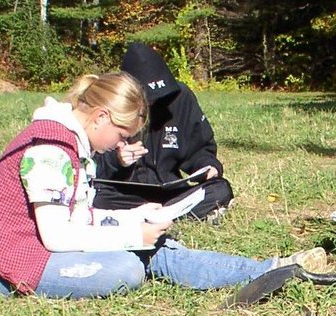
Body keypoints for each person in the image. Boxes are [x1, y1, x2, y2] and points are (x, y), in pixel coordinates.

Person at [0, 72, 324, 299]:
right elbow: (56, 237)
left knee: (157, 249)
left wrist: (135, 216)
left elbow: (78, 217)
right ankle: (268, 270)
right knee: (128, 269)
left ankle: (266, 269)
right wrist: (130, 235)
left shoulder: (68, 142)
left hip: (44, 251)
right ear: (101, 116)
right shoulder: (50, 151)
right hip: (16, 264)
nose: (121, 142)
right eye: (122, 134)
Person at [92, 43, 234, 224]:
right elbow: (91, 166)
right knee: (96, 198)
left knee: (220, 189)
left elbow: (200, 148)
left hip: (170, 193)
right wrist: (117, 160)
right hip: (124, 195)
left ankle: (156, 217)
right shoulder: (114, 102)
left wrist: (208, 167)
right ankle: (165, 217)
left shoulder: (181, 98)